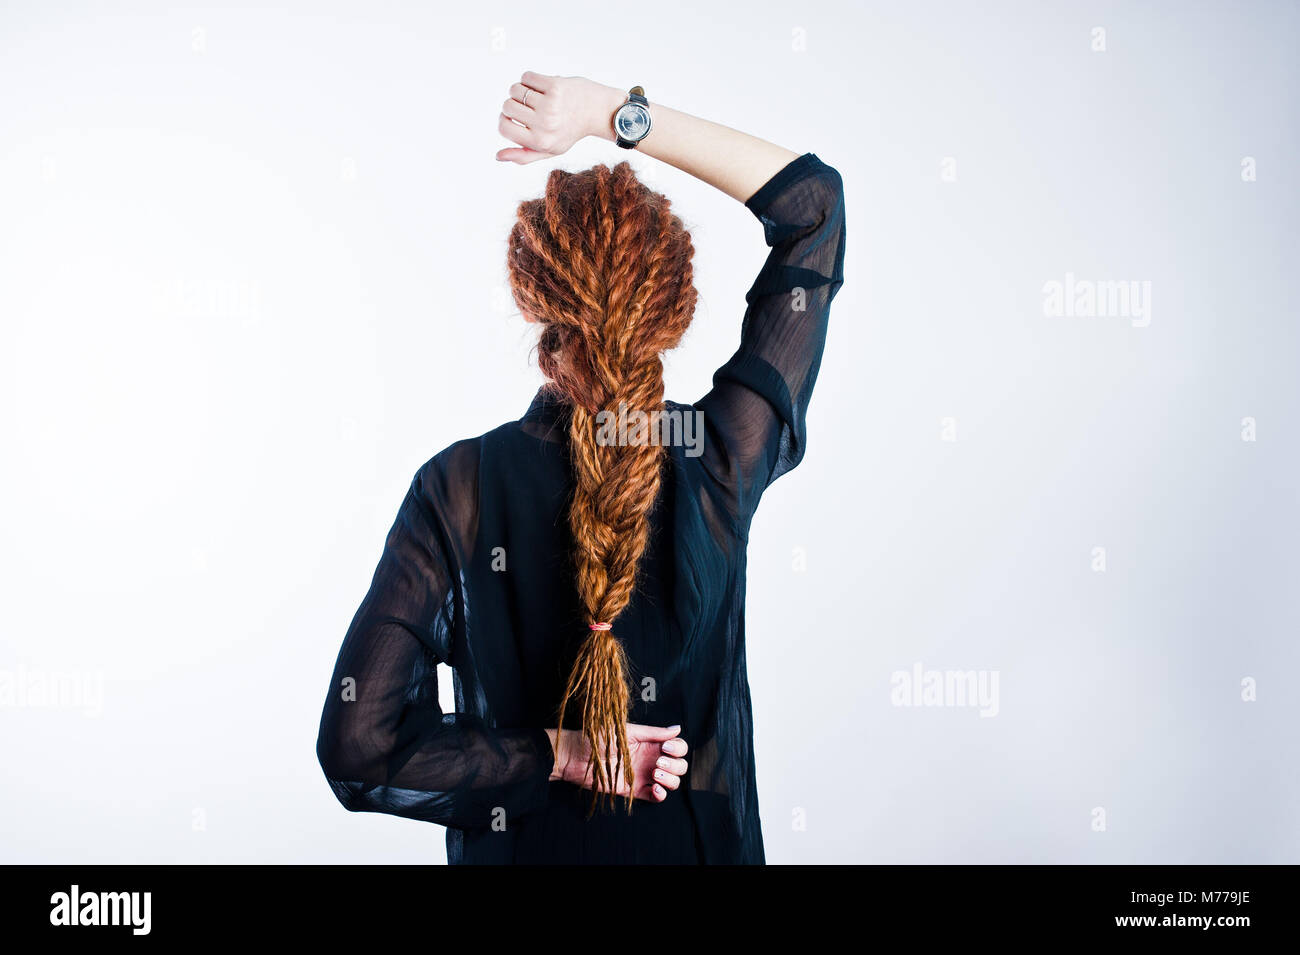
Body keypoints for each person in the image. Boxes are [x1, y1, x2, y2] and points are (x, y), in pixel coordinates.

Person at [316, 72, 846, 864]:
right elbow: (815, 209)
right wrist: (610, 115)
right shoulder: (718, 458)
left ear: (536, 309)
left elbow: (360, 746)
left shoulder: (457, 490)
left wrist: (562, 754)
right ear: (671, 307)